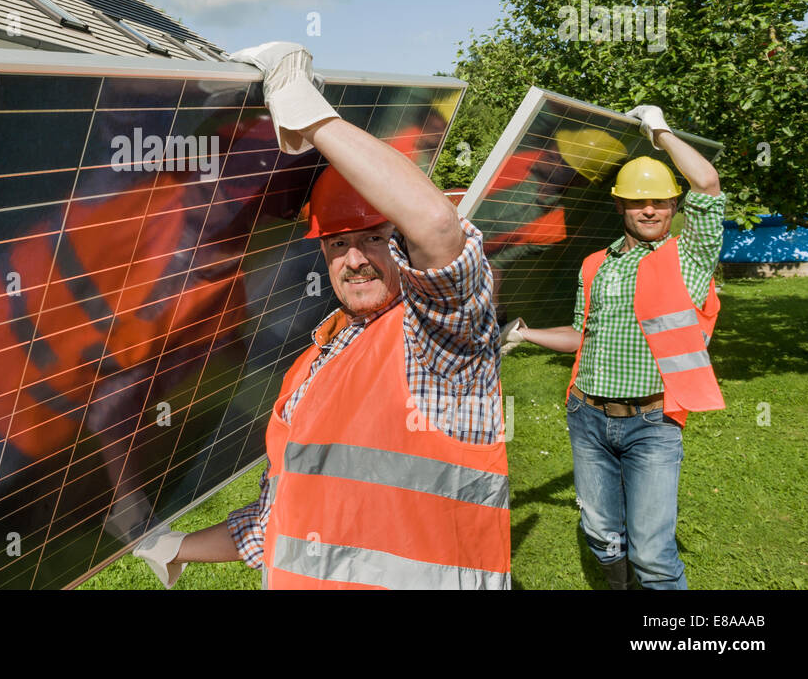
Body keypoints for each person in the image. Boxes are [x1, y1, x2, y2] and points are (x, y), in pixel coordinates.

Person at [134, 42, 510, 589]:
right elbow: (280, 518)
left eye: (373, 239)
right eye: (337, 244)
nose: (353, 259)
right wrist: (177, 548)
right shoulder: (317, 360)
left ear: (401, 241)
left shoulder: (439, 342)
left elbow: (438, 228)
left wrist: (309, 114)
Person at [503, 104, 725, 590]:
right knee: (601, 533)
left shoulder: (688, 257)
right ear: (620, 206)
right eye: (638, 202)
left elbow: (706, 185)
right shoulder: (593, 265)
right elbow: (582, 335)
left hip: (652, 423)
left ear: (672, 207)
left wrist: (660, 131)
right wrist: (524, 333)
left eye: (662, 202)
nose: (650, 210)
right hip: (587, 416)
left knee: (653, 553)